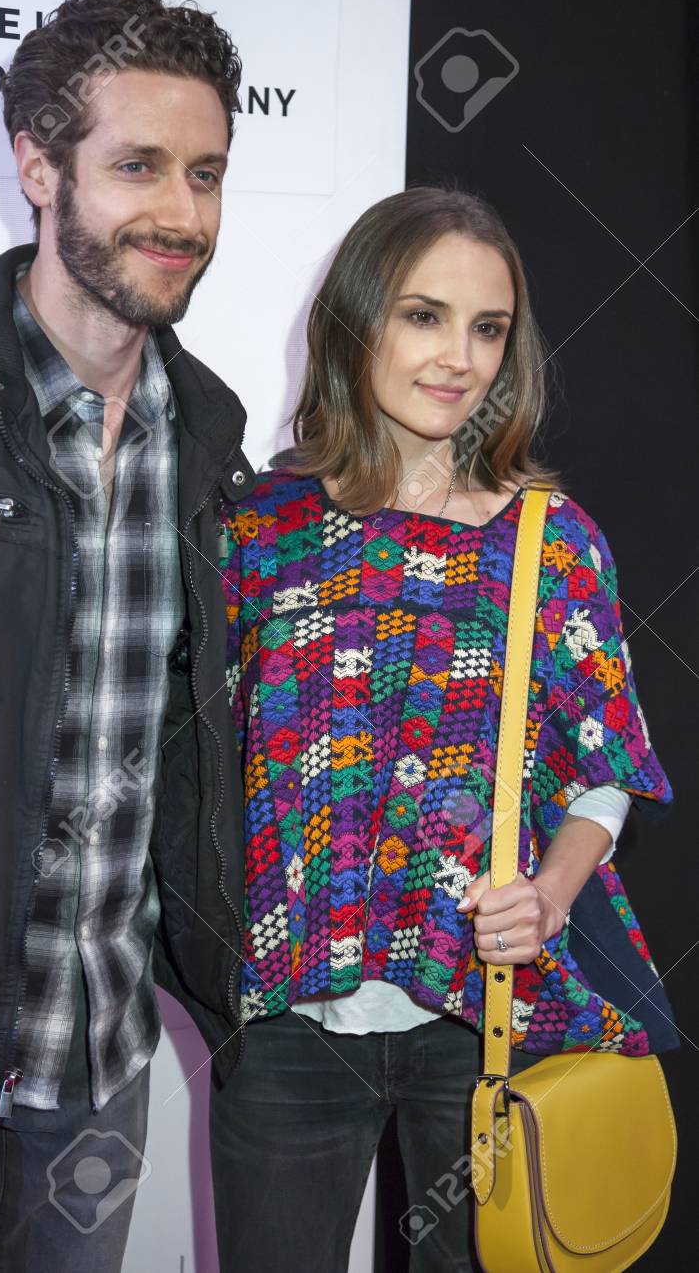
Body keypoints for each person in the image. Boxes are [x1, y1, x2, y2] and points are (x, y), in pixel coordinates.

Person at [211, 186, 678, 1272]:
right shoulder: (258, 528)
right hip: (286, 1019)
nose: (456, 356)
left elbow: (603, 767)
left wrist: (549, 895)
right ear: (357, 321)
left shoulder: (548, 538)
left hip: (481, 1018)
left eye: (486, 327)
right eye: (422, 316)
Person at [0, 0, 253, 1269]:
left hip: (95, 1069)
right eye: (139, 166)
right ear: (36, 164)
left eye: (205, 173)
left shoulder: (211, 440)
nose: (184, 216)